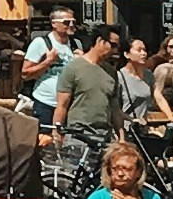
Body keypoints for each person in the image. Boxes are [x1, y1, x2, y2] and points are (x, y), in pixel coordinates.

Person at [43, 20, 121, 149]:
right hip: (78, 136)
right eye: (112, 45)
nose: (115, 50)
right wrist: (56, 133)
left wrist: (121, 137)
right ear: (100, 41)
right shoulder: (73, 68)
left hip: (105, 137)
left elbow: (115, 109)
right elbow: (62, 105)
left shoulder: (111, 72)